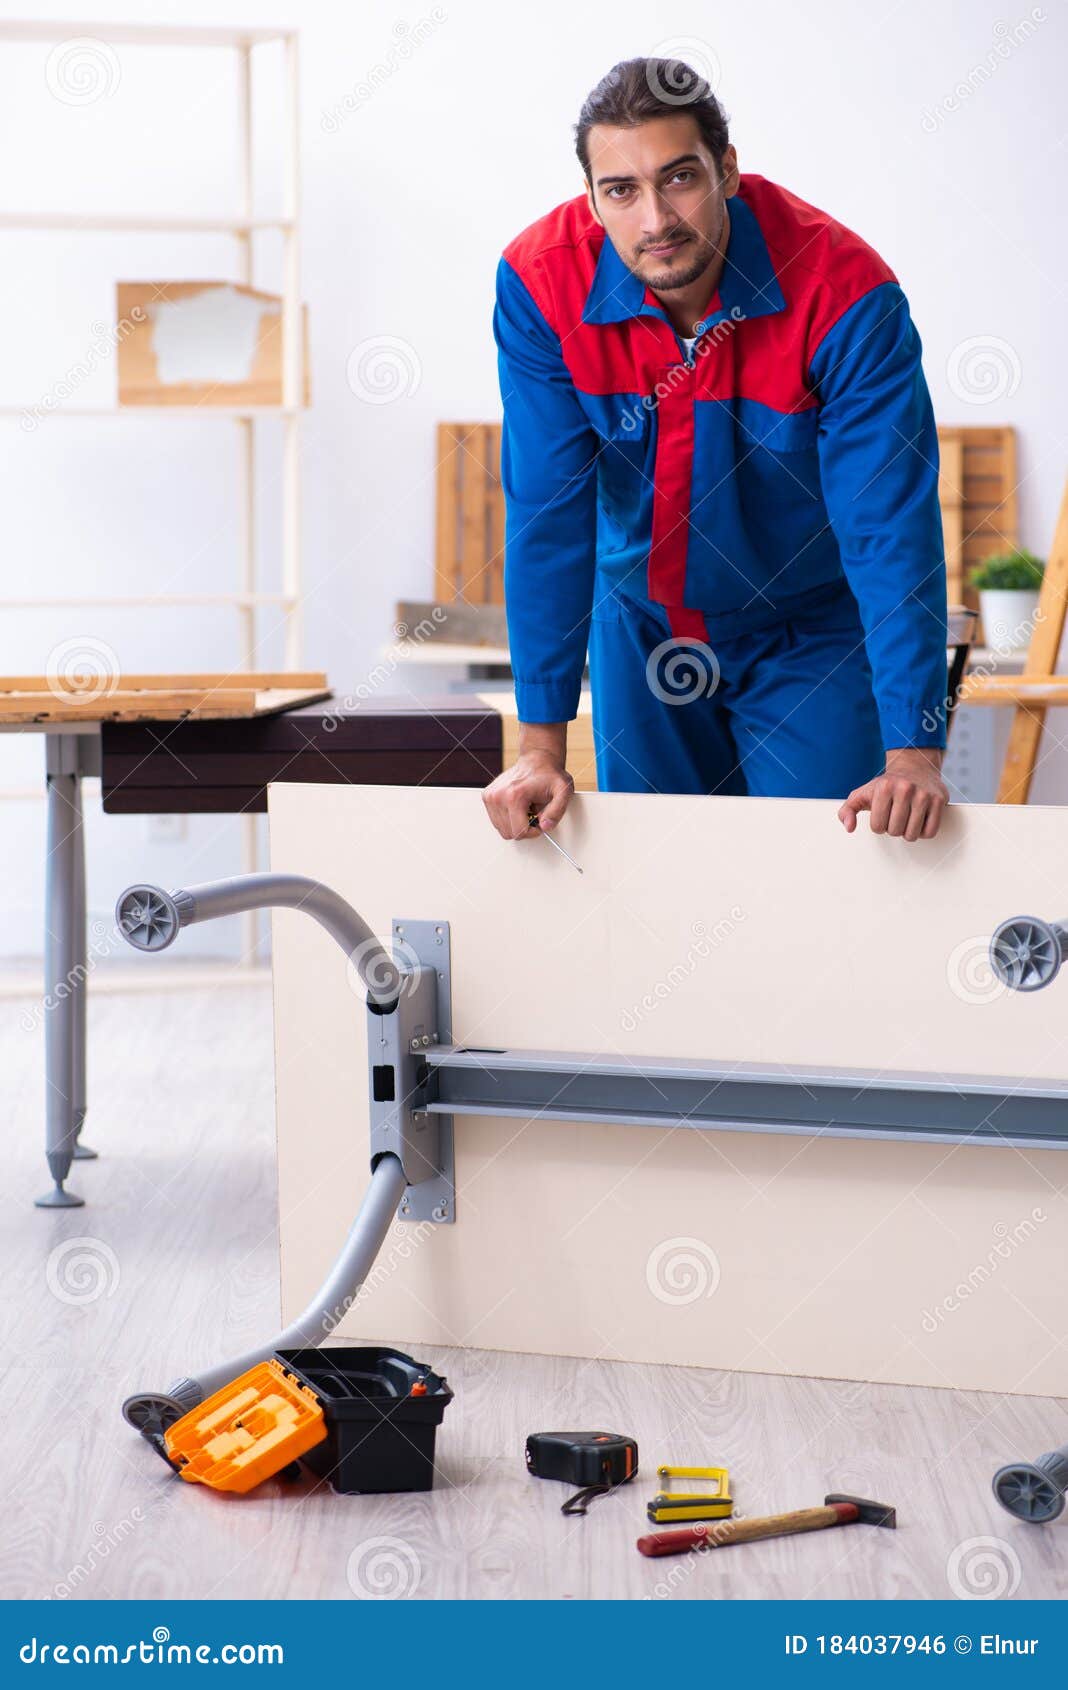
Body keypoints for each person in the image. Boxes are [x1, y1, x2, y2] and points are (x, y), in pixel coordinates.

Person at [482, 57, 950, 847]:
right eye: (621, 191)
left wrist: (914, 752)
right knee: (662, 896)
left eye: (680, 178)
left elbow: (887, 528)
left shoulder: (844, 291)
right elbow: (549, 516)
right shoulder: (539, 283)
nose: (655, 219)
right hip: (641, 630)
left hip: (810, 633)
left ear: (727, 170)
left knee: (825, 879)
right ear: (592, 198)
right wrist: (540, 748)